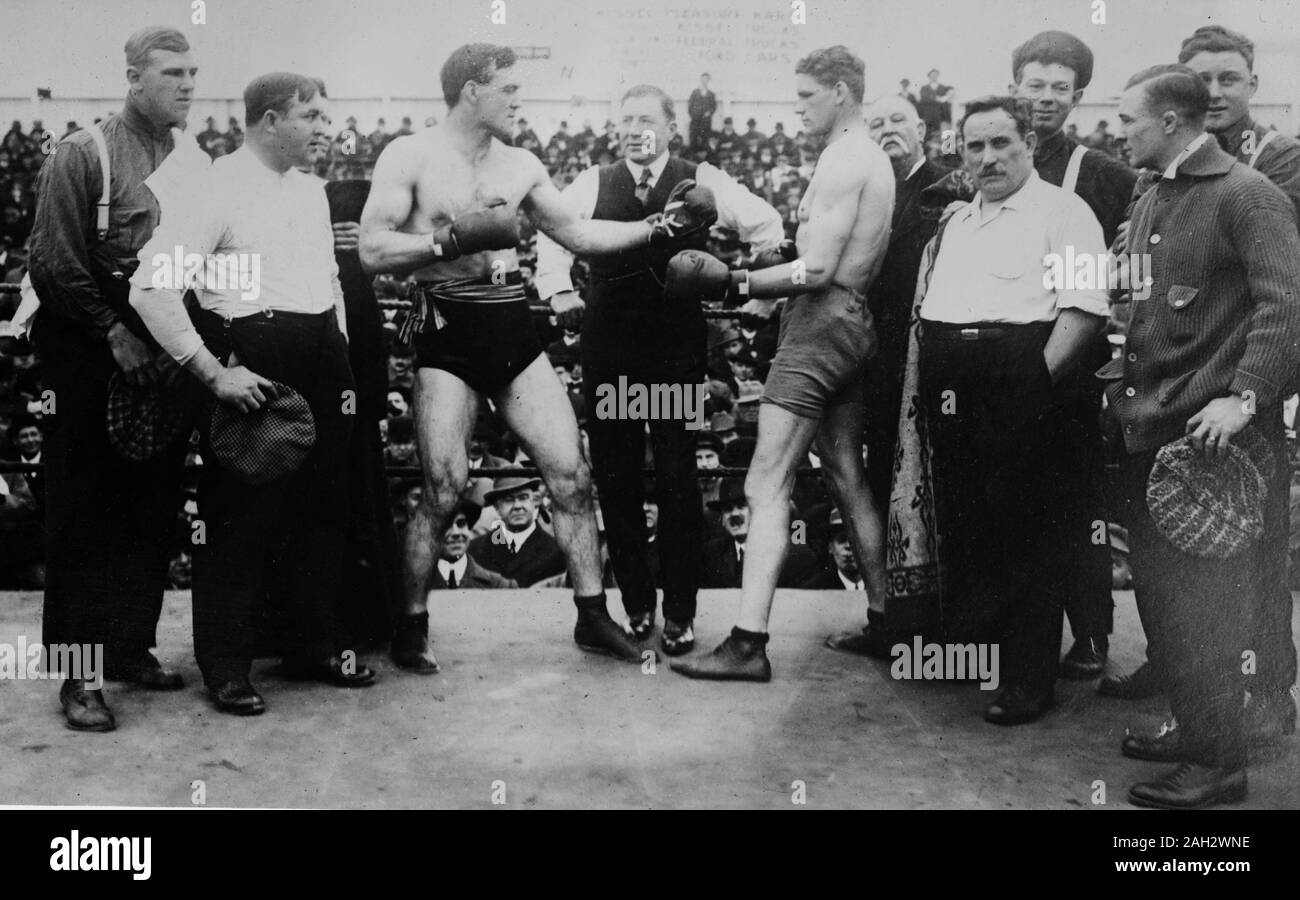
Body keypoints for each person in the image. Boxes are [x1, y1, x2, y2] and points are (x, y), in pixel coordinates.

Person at [358, 43, 715, 674]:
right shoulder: (409, 156)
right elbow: (371, 250)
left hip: (512, 329)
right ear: (473, 90)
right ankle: (410, 625)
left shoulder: (520, 163)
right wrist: (450, 236)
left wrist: (657, 227)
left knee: (572, 476)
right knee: (445, 487)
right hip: (446, 332)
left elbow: (579, 234)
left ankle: (591, 615)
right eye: (510, 89)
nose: (519, 100)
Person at [130, 72, 377, 716]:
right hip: (256, 356)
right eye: (313, 116)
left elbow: (328, 276)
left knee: (324, 507)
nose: (327, 128)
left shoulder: (313, 192)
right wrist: (213, 373)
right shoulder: (215, 189)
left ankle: (310, 643)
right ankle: (226, 663)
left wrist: (340, 353)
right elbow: (151, 288)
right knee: (239, 517)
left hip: (322, 352)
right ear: (270, 121)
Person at [1107, 64, 1300, 808]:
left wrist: (1245, 398)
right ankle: (1196, 728)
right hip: (1156, 430)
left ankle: (1219, 764)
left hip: (1217, 442)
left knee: (1205, 606)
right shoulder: (1156, 193)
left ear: (1169, 123)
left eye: (1128, 118)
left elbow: (1287, 312)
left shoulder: (1248, 196)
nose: (1118, 131)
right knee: (1165, 602)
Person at [669, 46, 894, 682]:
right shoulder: (865, 157)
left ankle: (747, 643)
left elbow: (816, 269)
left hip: (822, 323)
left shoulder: (846, 157)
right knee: (847, 474)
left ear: (843, 92)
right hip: (849, 323)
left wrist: (732, 280)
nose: (798, 108)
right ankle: (886, 622)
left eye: (807, 96)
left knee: (765, 481)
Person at [535, 83, 784, 656]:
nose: (633, 129)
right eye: (624, 120)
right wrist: (556, 292)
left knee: (677, 478)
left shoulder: (705, 176)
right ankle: (637, 605)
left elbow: (767, 228)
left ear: (673, 127)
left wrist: (760, 297)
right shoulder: (593, 179)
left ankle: (681, 613)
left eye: (646, 119)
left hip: (674, 354)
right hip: (610, 349)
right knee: (617, 477)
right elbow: (551, 236)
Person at [27, 25, 197, 732]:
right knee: (83, 511)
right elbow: (52, 261)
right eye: (171, 74)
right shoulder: (83, 152)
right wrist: (111, 330)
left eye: (193, 72)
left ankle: (129, 646)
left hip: (156, 341)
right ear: (133, 79)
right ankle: (78, 676)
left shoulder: (186, 157)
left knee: (151, 503)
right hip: (85, 339)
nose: (187, 85)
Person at [918, 96, 1110, 724]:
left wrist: (1032, 387)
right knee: (968, 518)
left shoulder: (1067, 211)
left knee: (1031, 527)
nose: (988, 157)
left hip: (1024, 369)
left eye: (1002, 143)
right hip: (954, 375)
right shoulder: (960, 221)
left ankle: (1031, 679)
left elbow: (1082, 311)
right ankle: (984, 657)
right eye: (975, 146)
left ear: (1029, 142)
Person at [1159, 26, 1298, 744]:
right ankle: (1193, 688)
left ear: (1252, 84)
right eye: (1199, 78)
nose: (1213, 92)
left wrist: (1253, 390)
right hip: (1188, 381)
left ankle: (1269, 688)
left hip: (1251, 380)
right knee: (1191, 542)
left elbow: (1286, 290)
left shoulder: (1277, 160)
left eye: (1228, 79)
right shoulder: (1177, 167)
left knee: (1256, 544)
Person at [1011, 30, 1139, 681]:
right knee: (1005, 498)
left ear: (1077, 97)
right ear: (1015, 87)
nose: (1045, 98)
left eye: (1060, 88)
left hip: (1071, 364)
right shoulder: (987, 159)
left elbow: (1135, 256)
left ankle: (1090, 634)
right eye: (1035, 84)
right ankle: (1003, 635)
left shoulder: (1107, 173)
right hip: (999, 359)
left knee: (1076, 501)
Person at [826, 92, 951, 657]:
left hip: (932, 358)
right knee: (878, 482)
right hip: (874, 357)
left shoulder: (951, 186)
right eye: (875, 124)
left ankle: (942, 625)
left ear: (922, 128)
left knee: (934, 488)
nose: (887, 130)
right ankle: (890, 622)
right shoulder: (865, 189)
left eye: (898, 120)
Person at [467, 477, 565, 586]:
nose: (517, 506)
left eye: (523, 498)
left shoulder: (556, 552)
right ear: (497, 507)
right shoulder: (476, 549)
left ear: (535, 502)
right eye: (508, 500)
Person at [433, 499, 516, 589]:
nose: (456, 532)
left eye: (461, 524)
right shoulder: (417, 585)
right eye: (445, 526)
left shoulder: (500, 586)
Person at [801, 508, 864, 589]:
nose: (848, 546)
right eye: (842, 540)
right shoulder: (814, 590)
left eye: (856, 541)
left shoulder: (883, 587)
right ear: (831, 547)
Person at [688, 73, 717, 152]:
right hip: (695, 121)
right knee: (693, 141)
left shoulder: (711, 94)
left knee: (705, 141)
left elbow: (713, 107)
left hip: (706, 122)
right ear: (701, 80)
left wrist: (709, 113)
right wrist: (695, 115)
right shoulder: (695, 93)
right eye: (703, 79)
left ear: (708, 81)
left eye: (706, 79)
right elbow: (690, 106)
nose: (704, 81)